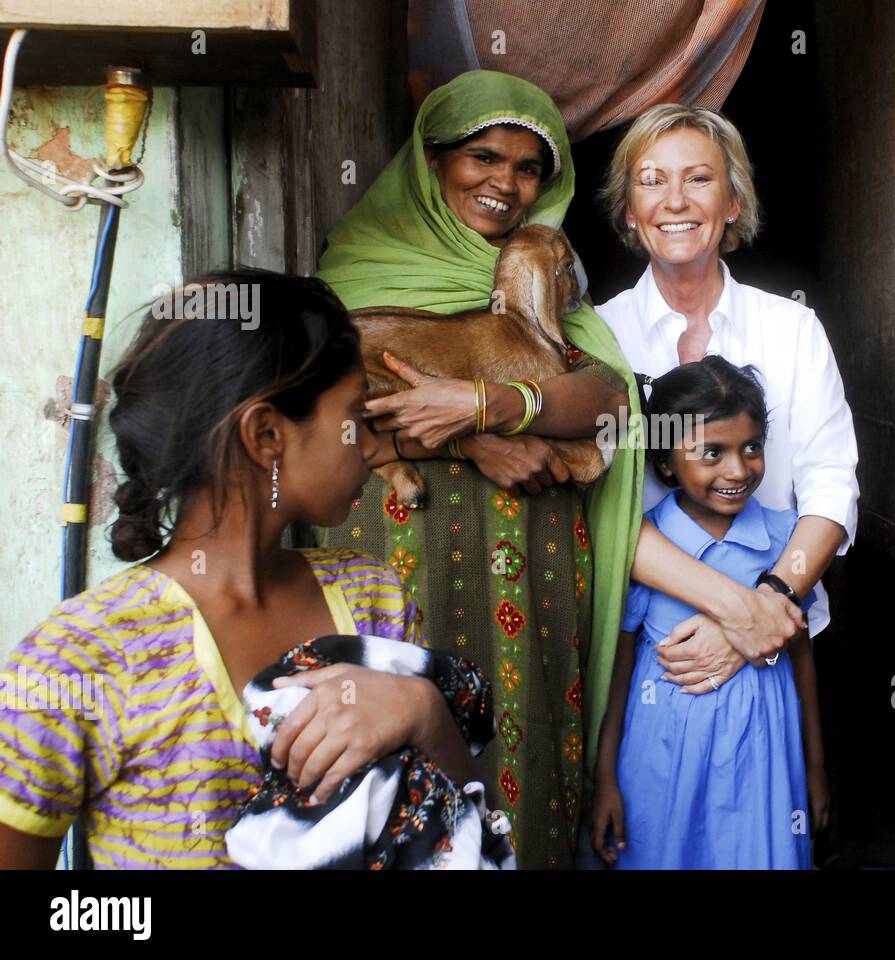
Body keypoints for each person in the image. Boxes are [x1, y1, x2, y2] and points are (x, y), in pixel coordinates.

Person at [314, 74, 808, 867]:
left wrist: (488, 405)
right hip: (402, 560)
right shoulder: (358, 270)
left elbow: (609, 404)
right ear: (429, 161)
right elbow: (327, 409)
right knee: (400, 759)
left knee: (523, 758)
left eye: (528, 168)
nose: (504, 184)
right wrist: (468, 442)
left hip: (535, 580)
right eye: (483, 157)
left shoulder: (544, 280)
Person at [0, 273, 475, 869]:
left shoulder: (371, 598)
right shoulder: (83, 656)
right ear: (268, 434)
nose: (374, 447)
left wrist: (423, 711)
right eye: (355, 417)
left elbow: (457, 835)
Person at [595, 103, 858, 699]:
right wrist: (735, 612)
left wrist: (768, 604)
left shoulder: (793, 329)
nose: (676, 200)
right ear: (630, 214)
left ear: (733, 202)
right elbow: (603, 505)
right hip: (649, 649)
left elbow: (831, 486)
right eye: (652, 180)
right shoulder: (598, 339)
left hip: (777, 642)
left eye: (699, 177)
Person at [591, 357, 828, 868]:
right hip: (661, 757)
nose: (738, 470)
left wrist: (814, 767)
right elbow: (620, 669)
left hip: (764, 759)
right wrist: (605, 777)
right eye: (711, 453)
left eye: (751, 447)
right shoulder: (644, 549)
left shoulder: (786, 541)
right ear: (665, 464)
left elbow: (802, 653)